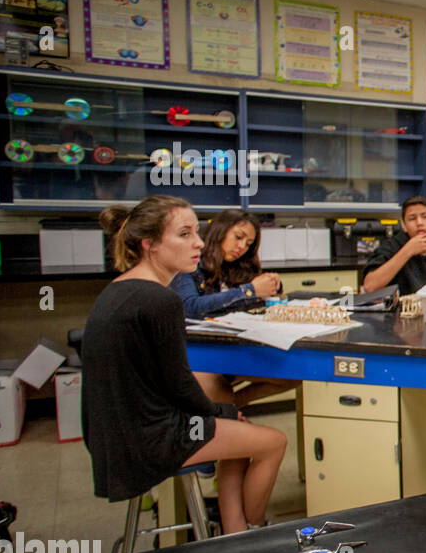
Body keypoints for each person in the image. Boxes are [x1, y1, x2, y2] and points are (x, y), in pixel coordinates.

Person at [83, 196, 287, 533]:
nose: (197, 242)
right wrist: (222, 412)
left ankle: (234, 531)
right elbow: (178, 383)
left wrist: (221, 413)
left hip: (116, 436)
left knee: (238, 434)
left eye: (196, 231)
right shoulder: (160, 300)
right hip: (147, 440)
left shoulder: (121, 288)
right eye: (184, 234)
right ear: (150, 244)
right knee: (273, 441)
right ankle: (252, 533)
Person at [170, 209, 293, 409]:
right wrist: (249, 290)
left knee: (290, 375)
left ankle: (229, 409)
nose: (242, 247)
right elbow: (190, 307)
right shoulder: (190, 262)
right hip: (198, 353)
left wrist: (270, 288)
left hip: (231, 348)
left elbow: (244, 306)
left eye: (249, 243)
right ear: (220, 230)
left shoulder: (236, 266)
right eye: (238, 237)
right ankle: (225, 412)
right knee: (220, 396)